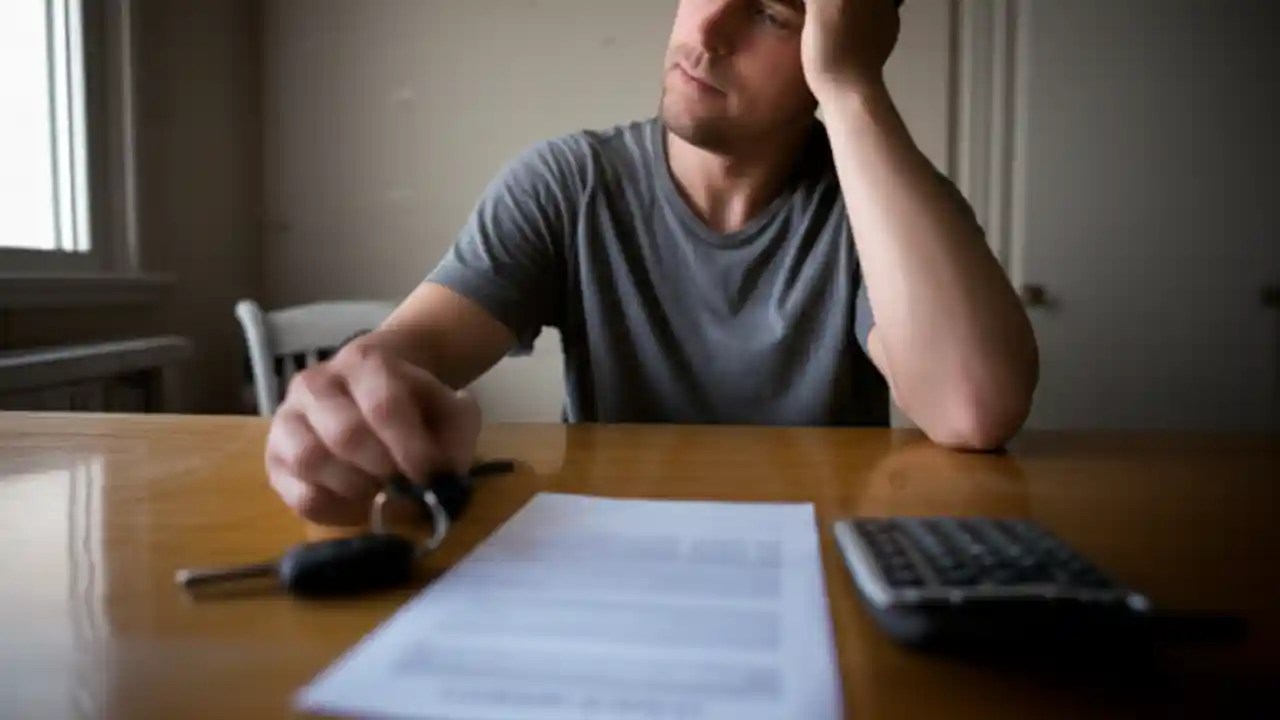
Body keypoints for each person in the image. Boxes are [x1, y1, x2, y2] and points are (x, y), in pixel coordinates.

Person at [266, 0, 1039, 526]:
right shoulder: (569, 184)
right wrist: (347, 406)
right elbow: (409, 355)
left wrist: (851, 85)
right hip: (608, 572)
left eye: (772, 11)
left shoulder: (878, 212)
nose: (706, 29)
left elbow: (974, 407)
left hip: (820, 578)